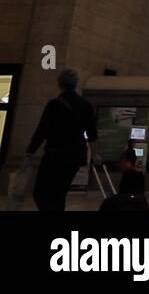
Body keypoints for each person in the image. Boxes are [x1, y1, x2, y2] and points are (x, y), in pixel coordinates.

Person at [25, 69, 99, 212]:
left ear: (60, 84)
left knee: (41, 192)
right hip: (76, 155)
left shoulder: (54, 104)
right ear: (76, 83)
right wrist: (95, 155)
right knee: (60, 191)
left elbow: (42, 130)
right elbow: (92, 135)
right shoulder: (86, 105)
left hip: (55, 153)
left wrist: (30, 151)